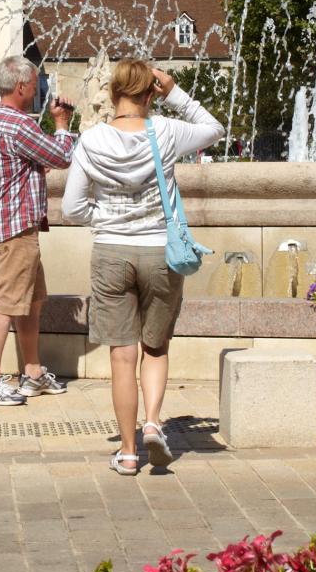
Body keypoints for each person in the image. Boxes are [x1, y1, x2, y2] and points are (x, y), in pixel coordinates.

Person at [63, 59, 224, 475]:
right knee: (155, 348)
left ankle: (129, 452)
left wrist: (106, 218)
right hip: (160, 252)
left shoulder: (91, 140)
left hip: (111, 252)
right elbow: (214, 129)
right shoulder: (166, 131)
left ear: (113, 92)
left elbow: (72, 207)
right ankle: (153, 422)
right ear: (150, 93)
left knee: (122, 355)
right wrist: (175, 93)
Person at [0, 55, 75, 406]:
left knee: (31, 301)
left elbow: (13, 168)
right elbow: (61, 156)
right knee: (7, 304)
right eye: (34, 84)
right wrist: (62, 123)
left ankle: (32, 372)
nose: (37, 89)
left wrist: (34, 170)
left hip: (2, 225)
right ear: (21, 86)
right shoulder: (19, 126)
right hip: (17, 229)